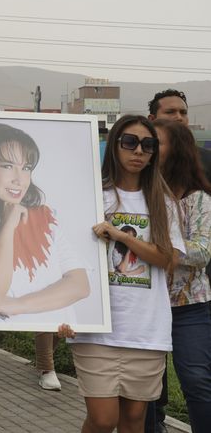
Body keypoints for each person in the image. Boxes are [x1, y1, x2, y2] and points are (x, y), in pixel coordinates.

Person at [61, 114, 185, 433]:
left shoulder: (163, 202)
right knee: (103, 420)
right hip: (97, 327)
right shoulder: (92, 196)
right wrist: (62, 313)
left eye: (148, 145)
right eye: (129, 142)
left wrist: (123, 236)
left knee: (134, 421)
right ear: (114, 145)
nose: (138, 151)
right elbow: (65, 257)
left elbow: (168, 259)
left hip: (145, 328)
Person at [0, 123, 90, 324]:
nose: (19, 179)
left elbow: (80, 285)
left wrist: (17, 305)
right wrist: (8, 224)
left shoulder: (45, 217)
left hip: (51, 334)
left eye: (26, 168)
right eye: (7, 166)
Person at [152, 118, 211, 431]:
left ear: (177, 150)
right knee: (144, 390)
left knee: (197, 381)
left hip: (189, 308)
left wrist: (157, 249)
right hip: (145, 304)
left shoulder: (199, 199)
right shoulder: (138, 195)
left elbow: (202, 252)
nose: (146, 149)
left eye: (156, 142)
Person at [148, 89, 211, 183]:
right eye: (170, 112)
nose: (179, 117)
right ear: (152, 119)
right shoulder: (142, 156)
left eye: (183, 112)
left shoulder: (207, 159)